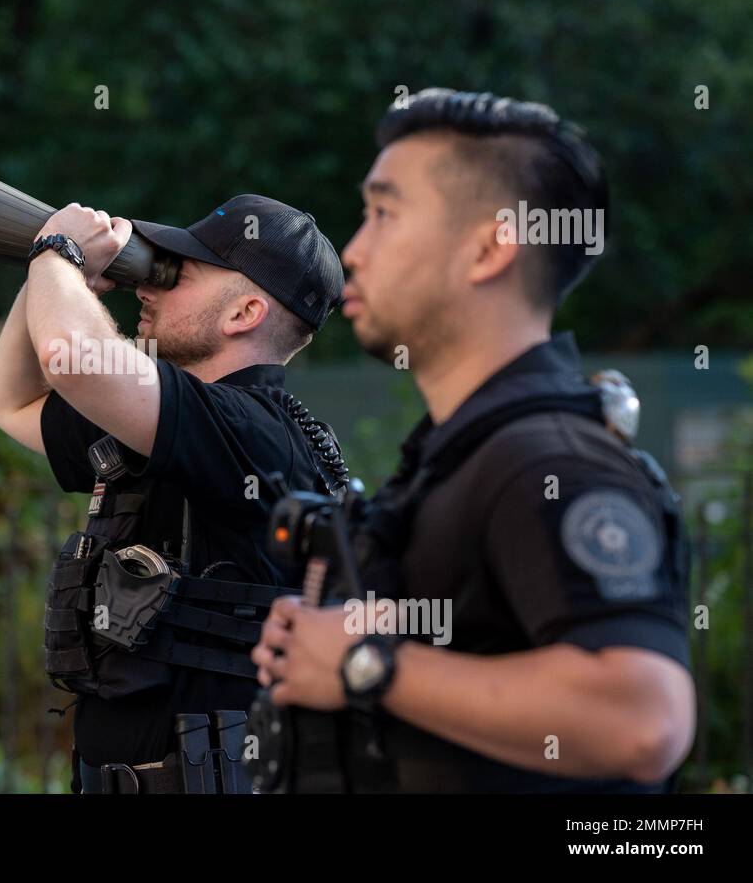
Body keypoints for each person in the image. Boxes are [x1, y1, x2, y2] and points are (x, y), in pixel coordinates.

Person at [251, 88, 695, 792]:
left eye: (384, 214)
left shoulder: (548, 462)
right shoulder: (457, 458)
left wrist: (367, 663)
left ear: (490, 248)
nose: (355, 251)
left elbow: (643, 719)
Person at [0, 194, 346, 792]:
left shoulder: (255, 434)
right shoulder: (166, 425)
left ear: (244, 313)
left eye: (182, 274)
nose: (150, 286)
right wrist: (48, 272)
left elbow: (70, 358)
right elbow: (14, 402)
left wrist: (59, 252)